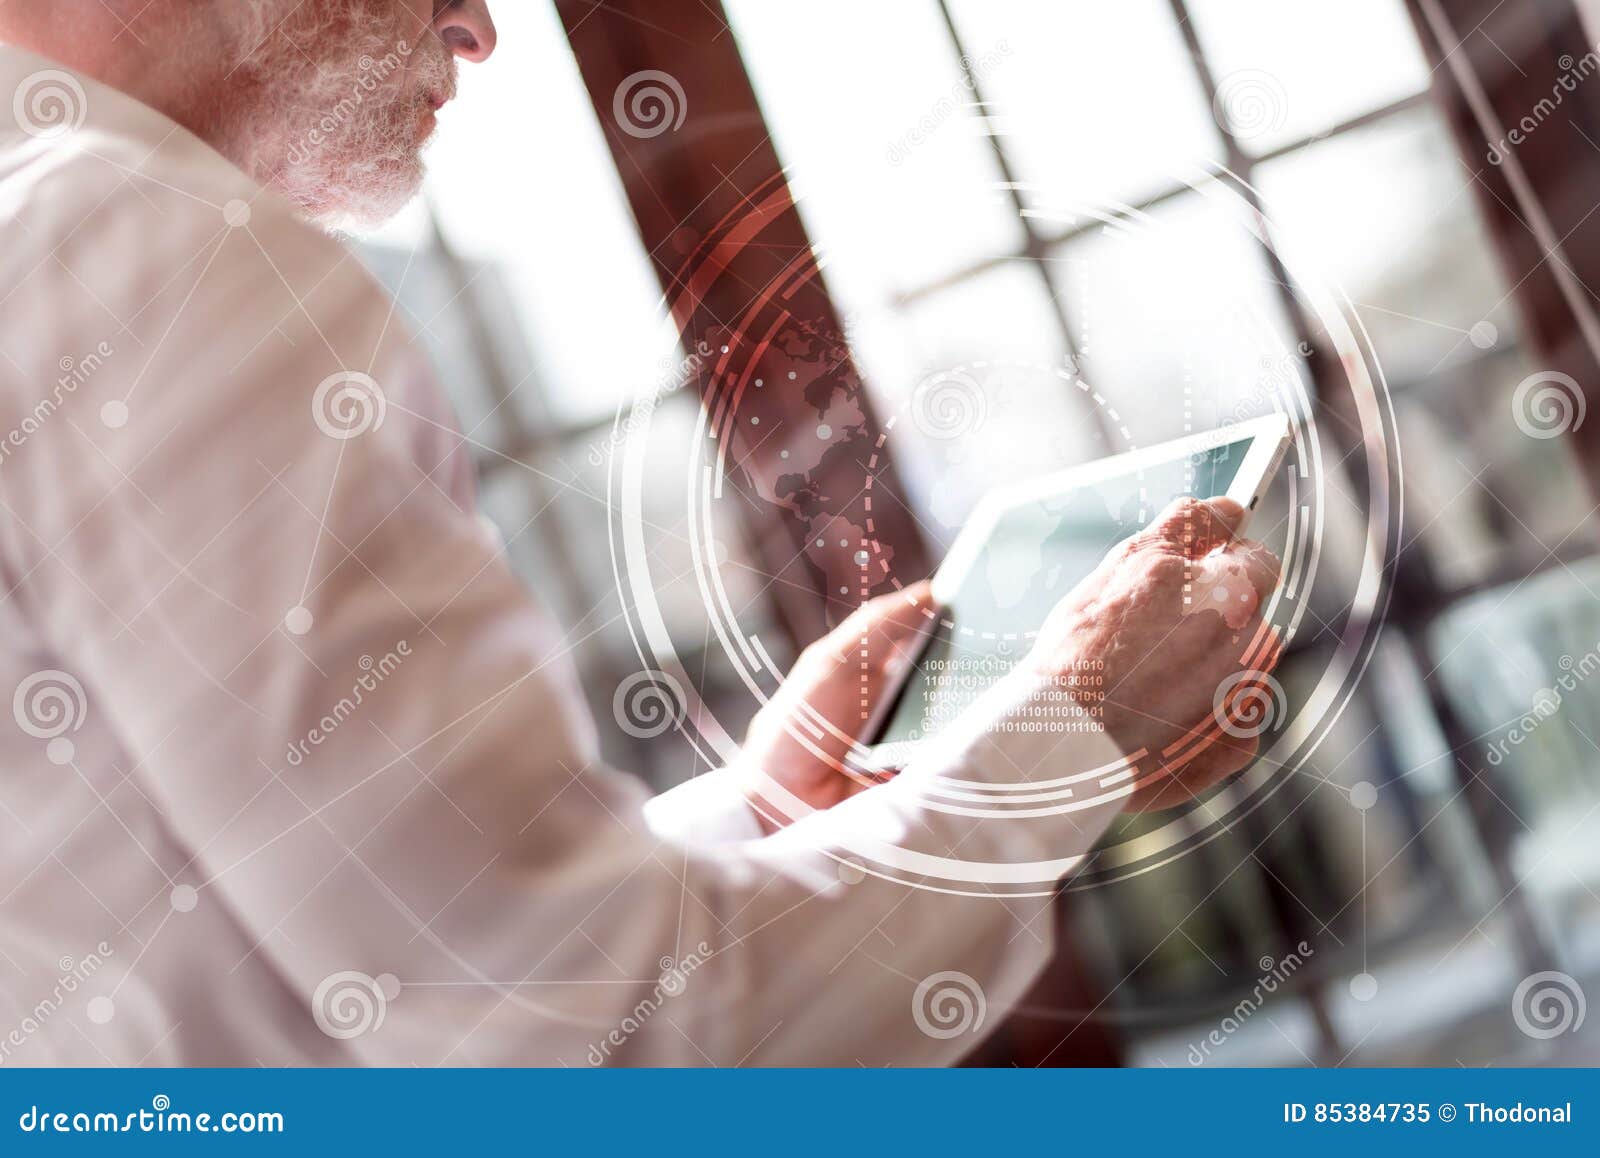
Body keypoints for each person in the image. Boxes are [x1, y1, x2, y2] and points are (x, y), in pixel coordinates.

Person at [0, 0, 1279, 1065]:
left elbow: (329, 973)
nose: (478, 26)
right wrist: (1061, 739)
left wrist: (770, 808)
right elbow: (613, 1050)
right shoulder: (140, 249)